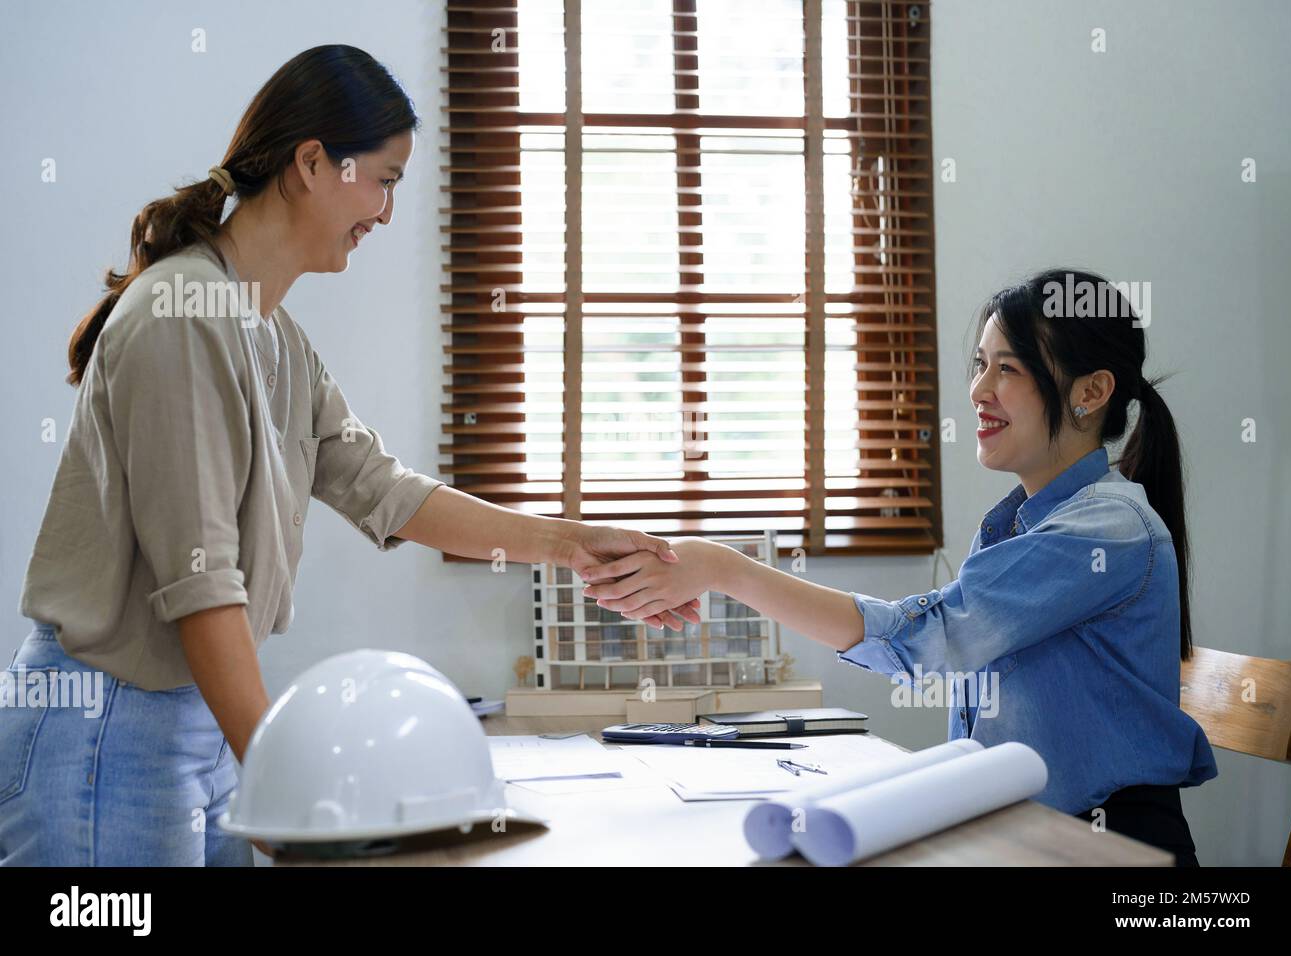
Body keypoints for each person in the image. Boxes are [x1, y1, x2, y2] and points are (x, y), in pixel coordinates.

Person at [0, 45, 698, 867]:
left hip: (193, 715)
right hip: (108, 724)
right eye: (386, 179)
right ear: (311, 163)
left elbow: (383, 489)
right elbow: (201, 586)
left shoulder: (277, 339)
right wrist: (275, 781)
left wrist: (569, 544)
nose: (388, 213)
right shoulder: (179, 316)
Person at [578, 269, 1218, 866]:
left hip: (1108, 847)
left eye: (1009, 368)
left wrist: (726, 570)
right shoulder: (1020, 524)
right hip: (1028, 832)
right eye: (980, 365)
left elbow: (925, 641)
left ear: (1091, 392)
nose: (978, 391)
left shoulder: (1104, 529)